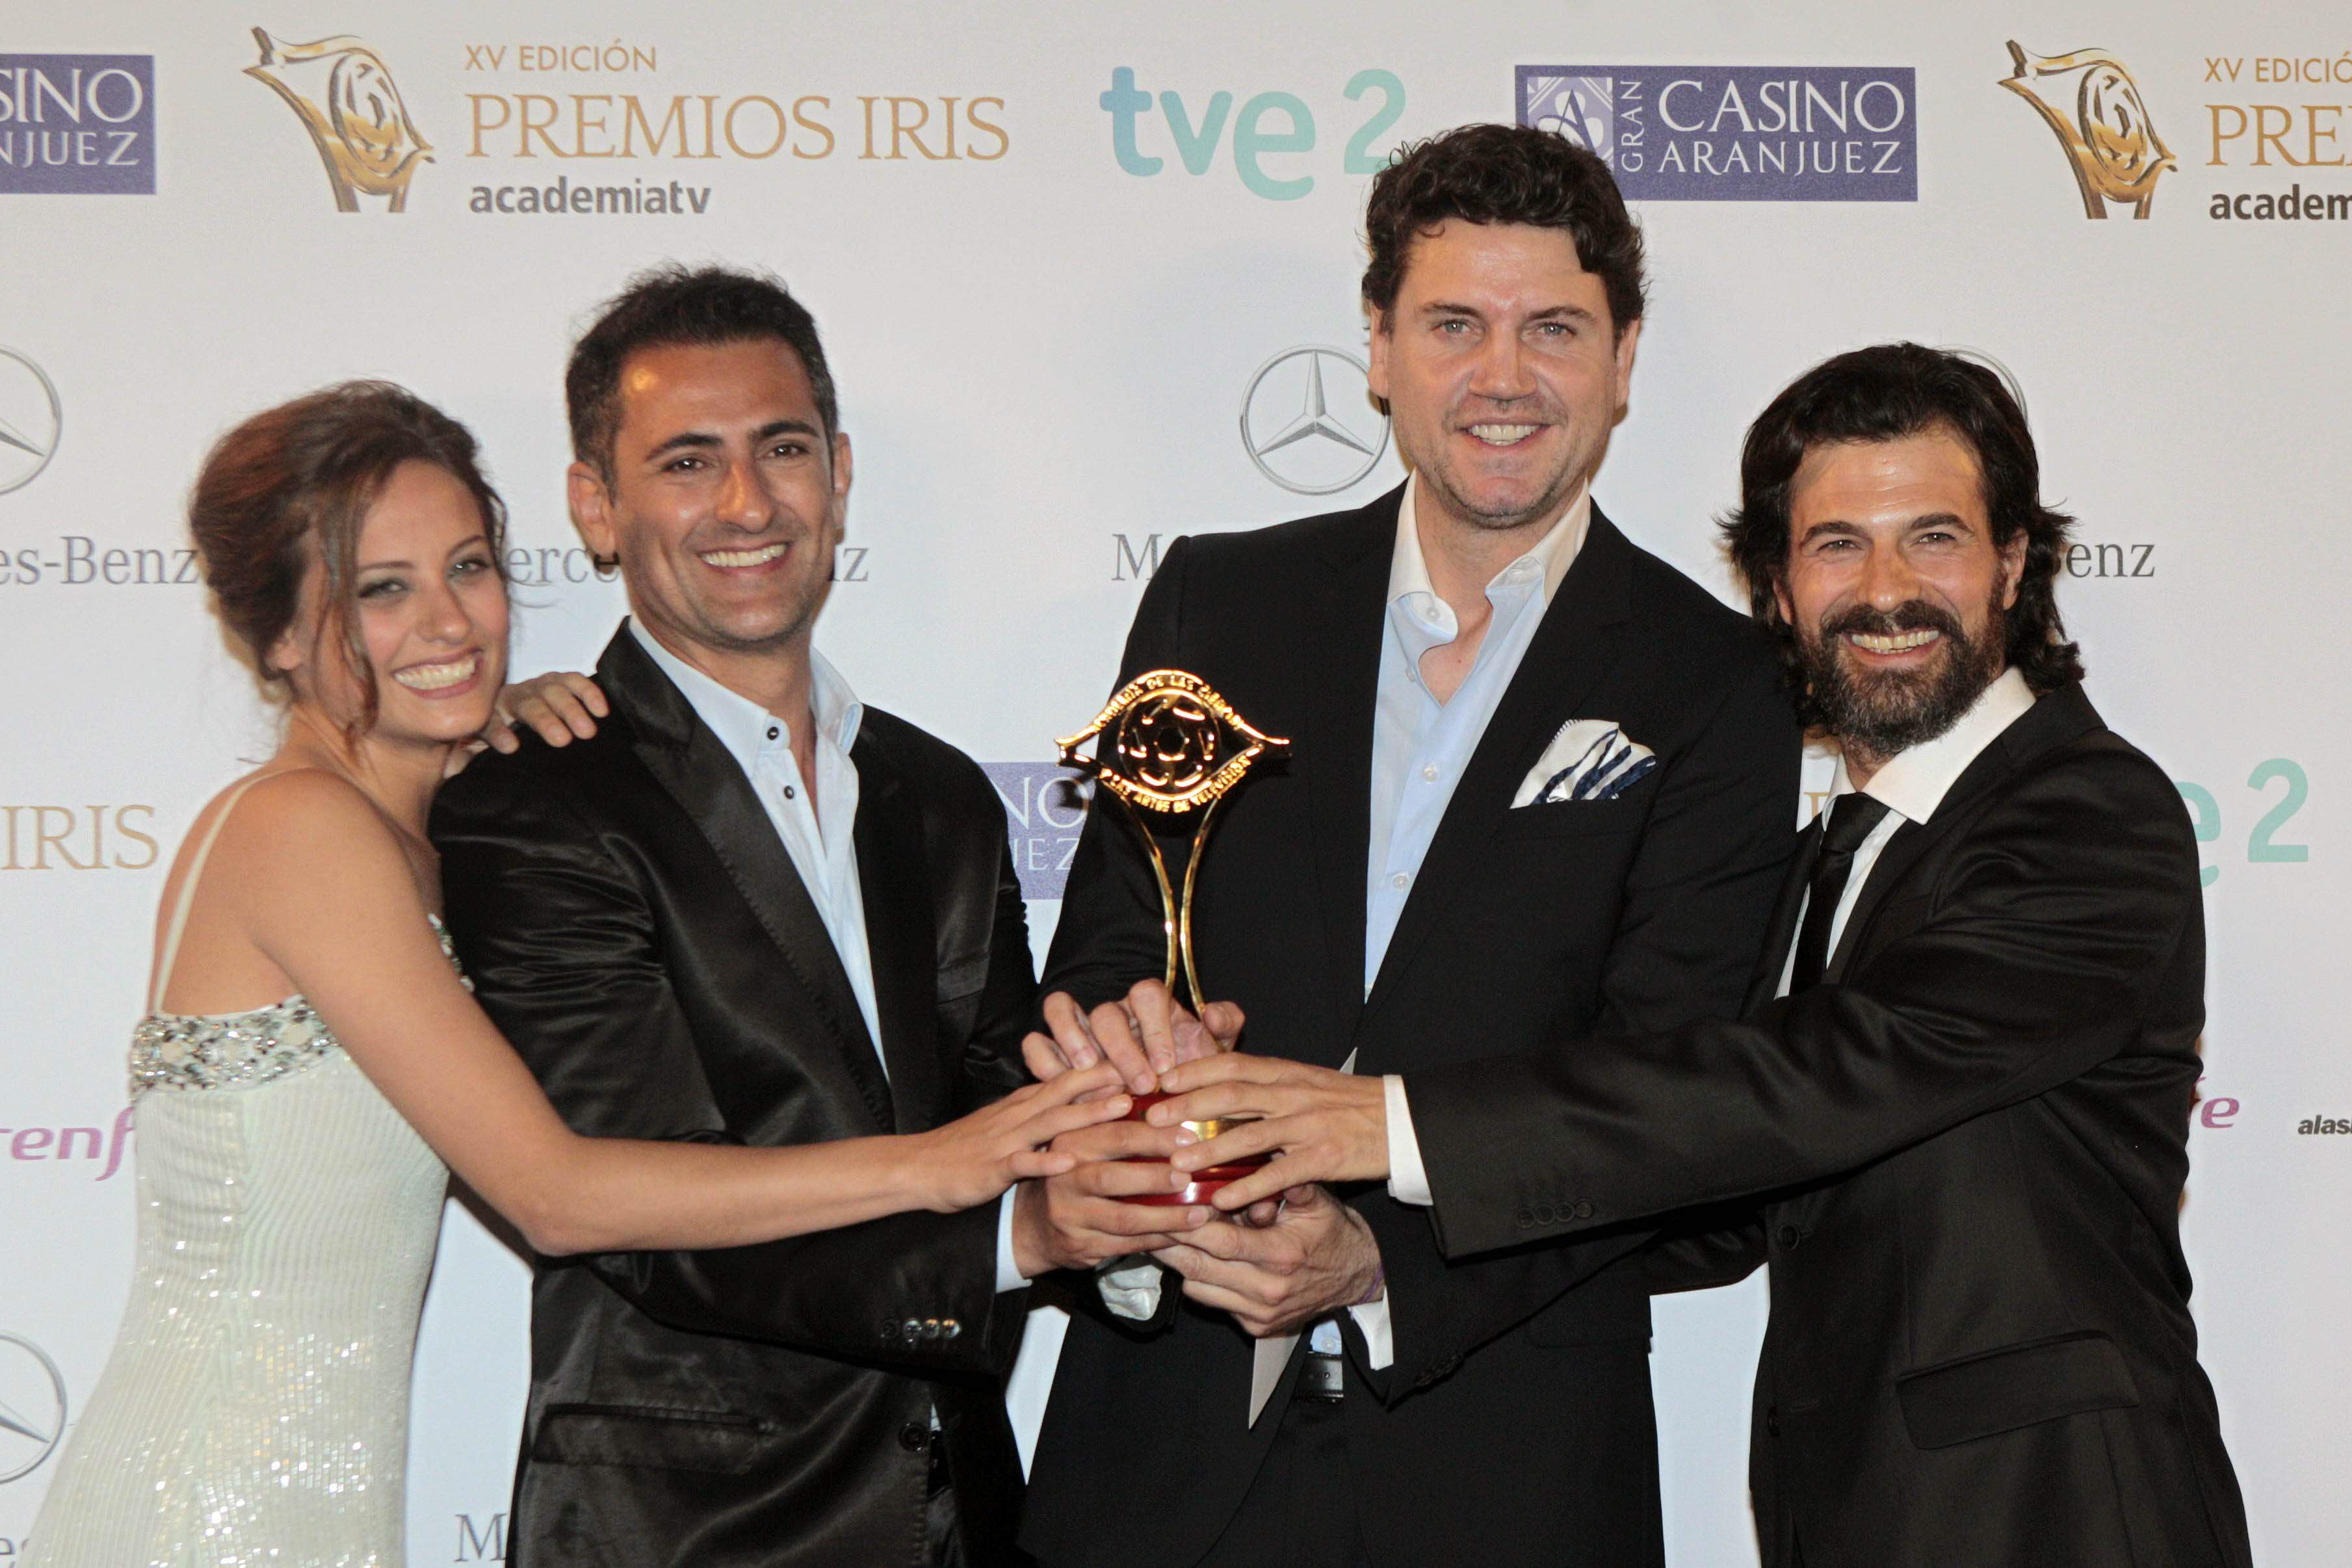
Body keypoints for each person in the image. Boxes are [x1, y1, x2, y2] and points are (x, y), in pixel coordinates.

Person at [1147, 343, 2256, 1568]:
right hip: (1841, 1511)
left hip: (2056, 1516)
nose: (1886, 590)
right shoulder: (1824, 859)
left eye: (1932, 539)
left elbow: (1820, 1077)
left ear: (2012, 564)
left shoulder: (2086, 812)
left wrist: (1395, 1126)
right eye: (1836, 545)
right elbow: (1707, 1195)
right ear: (1776, 590)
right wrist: (1375, 1258)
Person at [21, 382, 1127, 1568]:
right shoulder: (303, 833)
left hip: (312, 1490)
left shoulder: (428, 819)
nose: (448, 623)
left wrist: (492, 716)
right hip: (216, 1503)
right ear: (280, 635)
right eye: (380, 592)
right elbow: (554, 1192)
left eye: (469, 568)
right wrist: (933, 1164)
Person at [1013, 124, 1802, 1568]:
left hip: (1510, 1469)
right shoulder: (1216, 605)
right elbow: (1122, 941)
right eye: (1455, 324)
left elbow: (1673, 1101)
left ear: (1624, 361)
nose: (1504, 377)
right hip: (1159, 1449)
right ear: (1378, 348)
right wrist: (1131, 1072)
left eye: (1553, 328)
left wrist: (1386, 1264)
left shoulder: (1718, 683)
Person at [432, 265, 1209, 1568]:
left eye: (782, 449)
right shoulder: (537, 804)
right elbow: (647, 1219)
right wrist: (1018, 1237)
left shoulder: (941, 794)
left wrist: (1130, 1145)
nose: (747, 504)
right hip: (692, 1533)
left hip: (963, 1517)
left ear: (839, 475)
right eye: (687, 461)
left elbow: (998, 1099)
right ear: (595, 504)